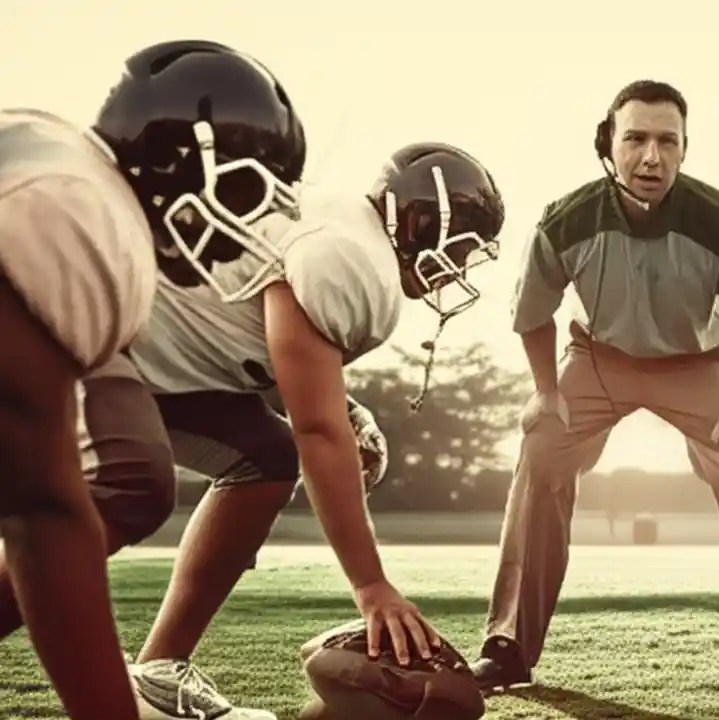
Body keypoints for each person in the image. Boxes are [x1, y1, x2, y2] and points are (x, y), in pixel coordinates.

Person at [2, 137, 505, 719]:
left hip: (131, 342)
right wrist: (371, 584)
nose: (459, 268)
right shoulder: (354, 260)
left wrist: (343, 408)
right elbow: (316, 430)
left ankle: (160, 672)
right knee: (128, 488)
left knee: (265, 458)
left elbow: (255, 346)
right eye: (462, 247)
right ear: (419, 222)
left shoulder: (336, 221)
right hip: (78, 329)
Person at [470, 79, 719, 702]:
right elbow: (533, 313)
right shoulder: (564, 219)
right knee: (542, 451)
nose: (651, 157)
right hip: (598, 361)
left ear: (685, 148)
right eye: (635, 139)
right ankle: (509, 647)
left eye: (667, 141)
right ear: (608, 144)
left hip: (695, 365)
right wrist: (546, 393)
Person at [0, 39, 309, 720]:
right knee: (81, 498)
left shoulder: (48, 146)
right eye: (240, 190)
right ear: (174, 157)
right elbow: (45, 515)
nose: (243, 222)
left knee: (133, 478)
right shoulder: (83, 213)